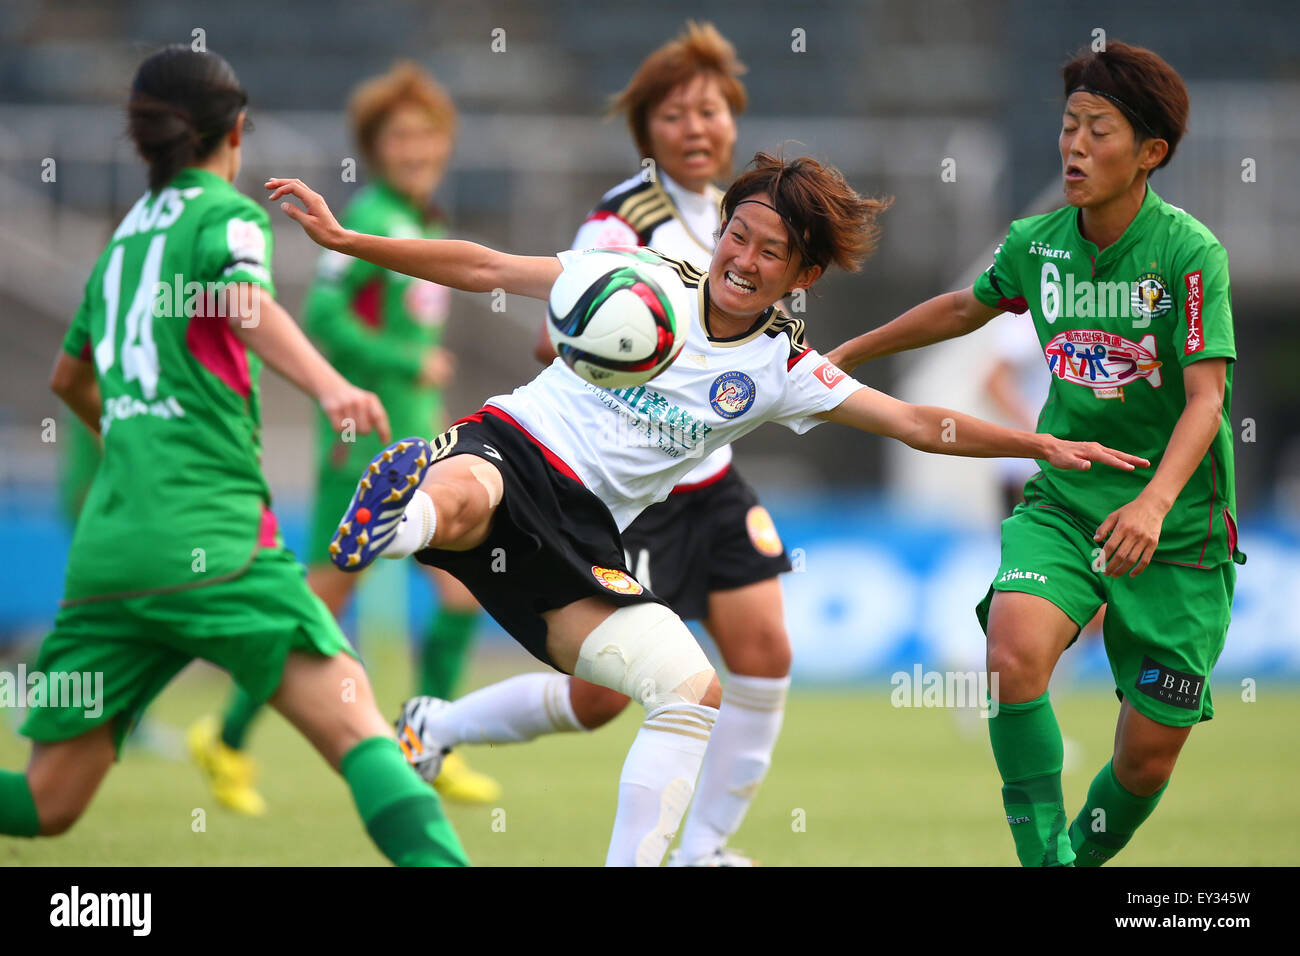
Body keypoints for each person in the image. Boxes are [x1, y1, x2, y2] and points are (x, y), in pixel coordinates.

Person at [266, 151, 1144, 866]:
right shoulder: (640, 278)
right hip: (513, 442)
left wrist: (1035, 444)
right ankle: (399, 521)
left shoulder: (782, 370)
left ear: (802, 274)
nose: (743, 259)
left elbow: (916, 421)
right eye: (739, 234)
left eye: (771, 252)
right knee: (467, 490)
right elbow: (488, 266)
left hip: (583, 531)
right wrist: (347, 240)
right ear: (721, 229)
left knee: (690, 693)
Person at [0, 46, 468, 867]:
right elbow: (244, 301)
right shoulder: (225, 215)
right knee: (363, 729)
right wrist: (330, 386)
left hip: (111, 553)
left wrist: (129, 444)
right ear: (238, 132)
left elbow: (68, 377)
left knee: (47, 802)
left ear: (144, 141)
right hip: (213, 540)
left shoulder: (118, 248)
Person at [827, 41, 1243, 866]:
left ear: (1151, 152)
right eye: (1068, 126)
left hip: (1178, 529)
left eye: (1099, 130)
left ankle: (1074, 862)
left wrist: (1154, 503)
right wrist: (843, 355)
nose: (1075, 147)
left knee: (1143, 762)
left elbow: (1208, 401)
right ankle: (1039, 860)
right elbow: (957, 310)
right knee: (1013, 649)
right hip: (1065, 501)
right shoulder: (1037, 245)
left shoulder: (1190, 256)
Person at [407, 20, 788, 867]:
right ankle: (438, 723)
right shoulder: (623, 221)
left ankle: (705, 851)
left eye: (712, 111)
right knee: (602, 701)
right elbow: (563, 333)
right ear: (645, 130)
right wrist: (635, 340)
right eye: (675, 114)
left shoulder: (742, 218)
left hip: (714, 480)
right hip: (635, 488)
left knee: (766, 650)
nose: (697, 128)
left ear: (734, 120)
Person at [188, 61, 498, 816]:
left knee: (461, 591)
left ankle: (425, 743)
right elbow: (324, 321)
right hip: (364, 441)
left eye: (427, 135)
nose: (416, 149)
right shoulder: (371, 222)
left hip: (417, 441)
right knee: (322, 603)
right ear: (376, 145)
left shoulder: (419, 223)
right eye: (399, 137)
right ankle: (224, 735)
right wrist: (405, 361)